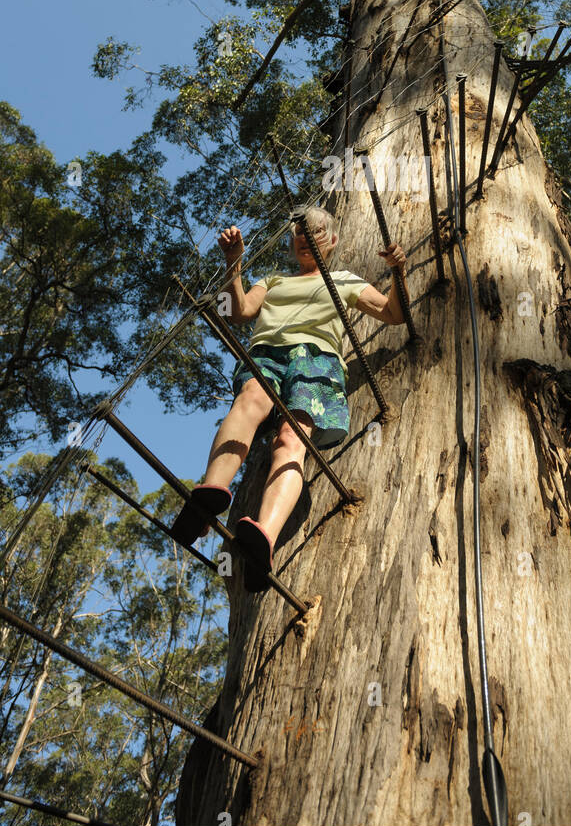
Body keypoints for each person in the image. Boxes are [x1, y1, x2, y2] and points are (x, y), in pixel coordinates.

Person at [170, 206, 407, 589]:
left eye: (315, 232)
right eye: (299, 234)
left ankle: (264, 534)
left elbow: (393, 312)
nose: (305, 238)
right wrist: (234, 263)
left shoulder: (343, 280)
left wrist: (398, 271)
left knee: (291, 439)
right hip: (266, 355)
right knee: (249, 397)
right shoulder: (274, 281)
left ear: (331, 241)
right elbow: (240, 311)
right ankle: (210, 492)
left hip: (316, 360)